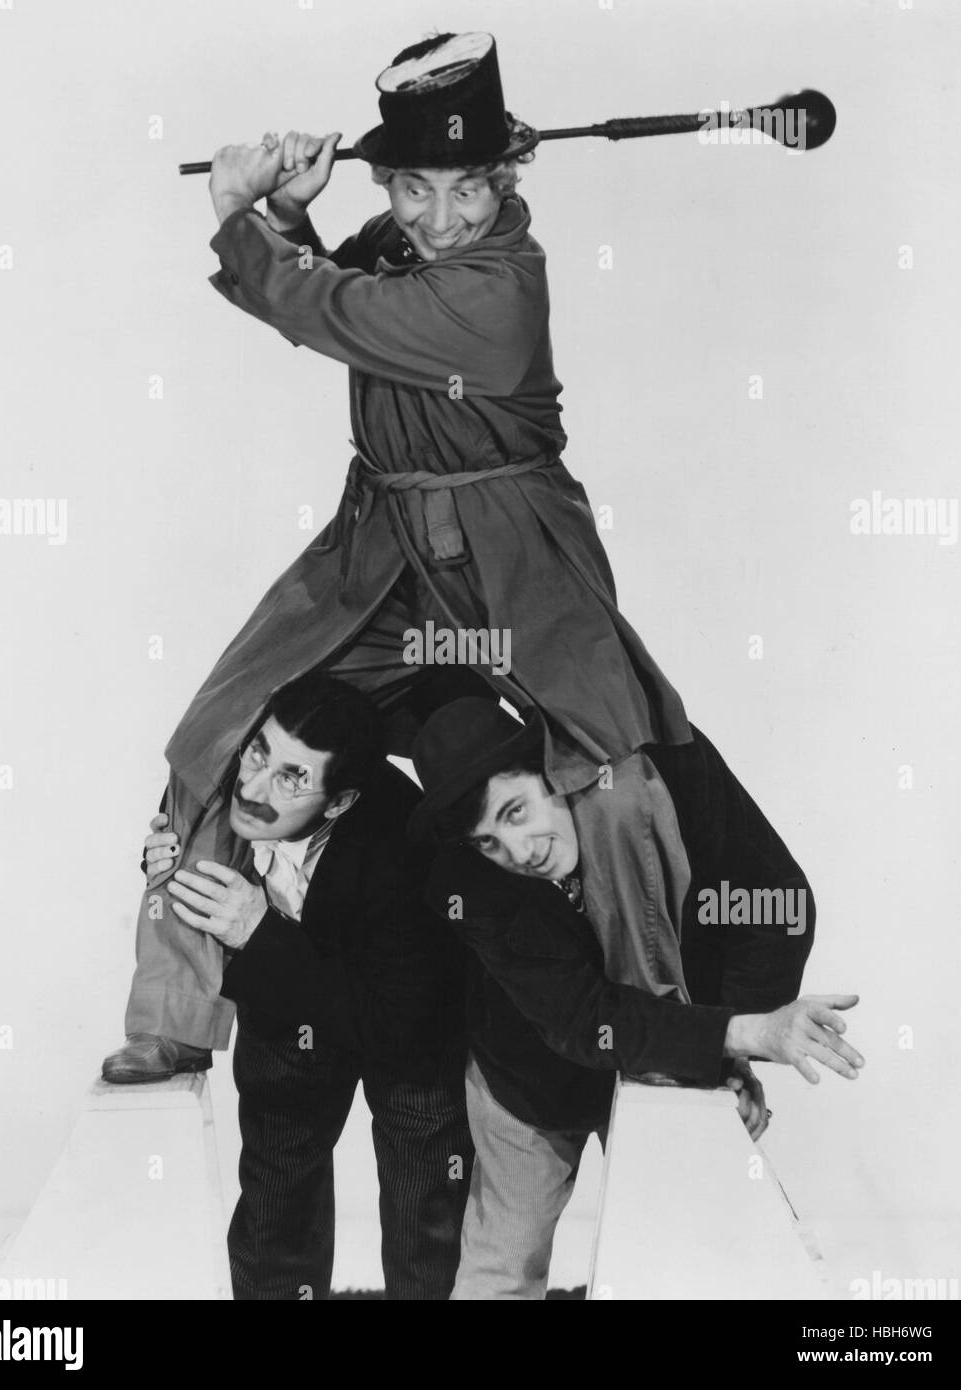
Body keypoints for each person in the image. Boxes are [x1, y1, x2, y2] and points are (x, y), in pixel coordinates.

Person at [102, 29, 701, 1081]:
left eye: (464, 188)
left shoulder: (500, 287)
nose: (437, 217)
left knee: (608, 771)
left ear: (506, 177)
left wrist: (241, 215)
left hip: (518, 557)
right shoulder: (399, 242)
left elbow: (327, 309)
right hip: (377, 551)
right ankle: (174, 1015)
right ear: (390, 183)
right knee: (223, 728)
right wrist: (286, 212)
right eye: (412, 189)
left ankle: (659, 1033)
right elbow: (324, 287)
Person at [408, 698, 865, 1300]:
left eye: (515, 813)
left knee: (701, 1254)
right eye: (489, 842)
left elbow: (775, 903)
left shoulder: (662, 767)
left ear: (552, 770)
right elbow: (582, 1018)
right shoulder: (468, 886)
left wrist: (728, 1055)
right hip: (532, 1081)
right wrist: (741, 1035)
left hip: (671, 1058)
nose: (518, 852)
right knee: (503, 1267)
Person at [113, 675, 472, 1299]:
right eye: (259, 753)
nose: (252, 788)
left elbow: (396, 1020)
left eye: (291, 779)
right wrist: (164, 860)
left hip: (409, 1029)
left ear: (338, 803)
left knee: (426, 1231)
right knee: (275, 1210)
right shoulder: (227, 777)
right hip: (285, 1009)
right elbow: (188, 847)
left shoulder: (404, 847)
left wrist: (257, 931)